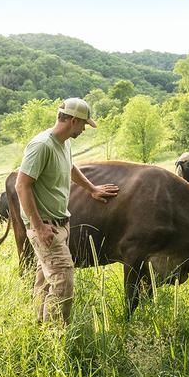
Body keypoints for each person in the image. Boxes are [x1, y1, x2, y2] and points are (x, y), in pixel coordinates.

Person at [16, 97, 118, 323]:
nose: (84, 129)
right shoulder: (41, 145)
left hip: (61, 223)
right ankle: (54, 338)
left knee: (45, 281)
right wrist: (38, 227)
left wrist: (91, 189)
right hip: (45, 227)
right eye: (83, 124)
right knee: (63, 280)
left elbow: (69, 167)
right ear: (73, 120)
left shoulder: (64, 143)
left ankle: (37, 328)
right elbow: (22, 185)